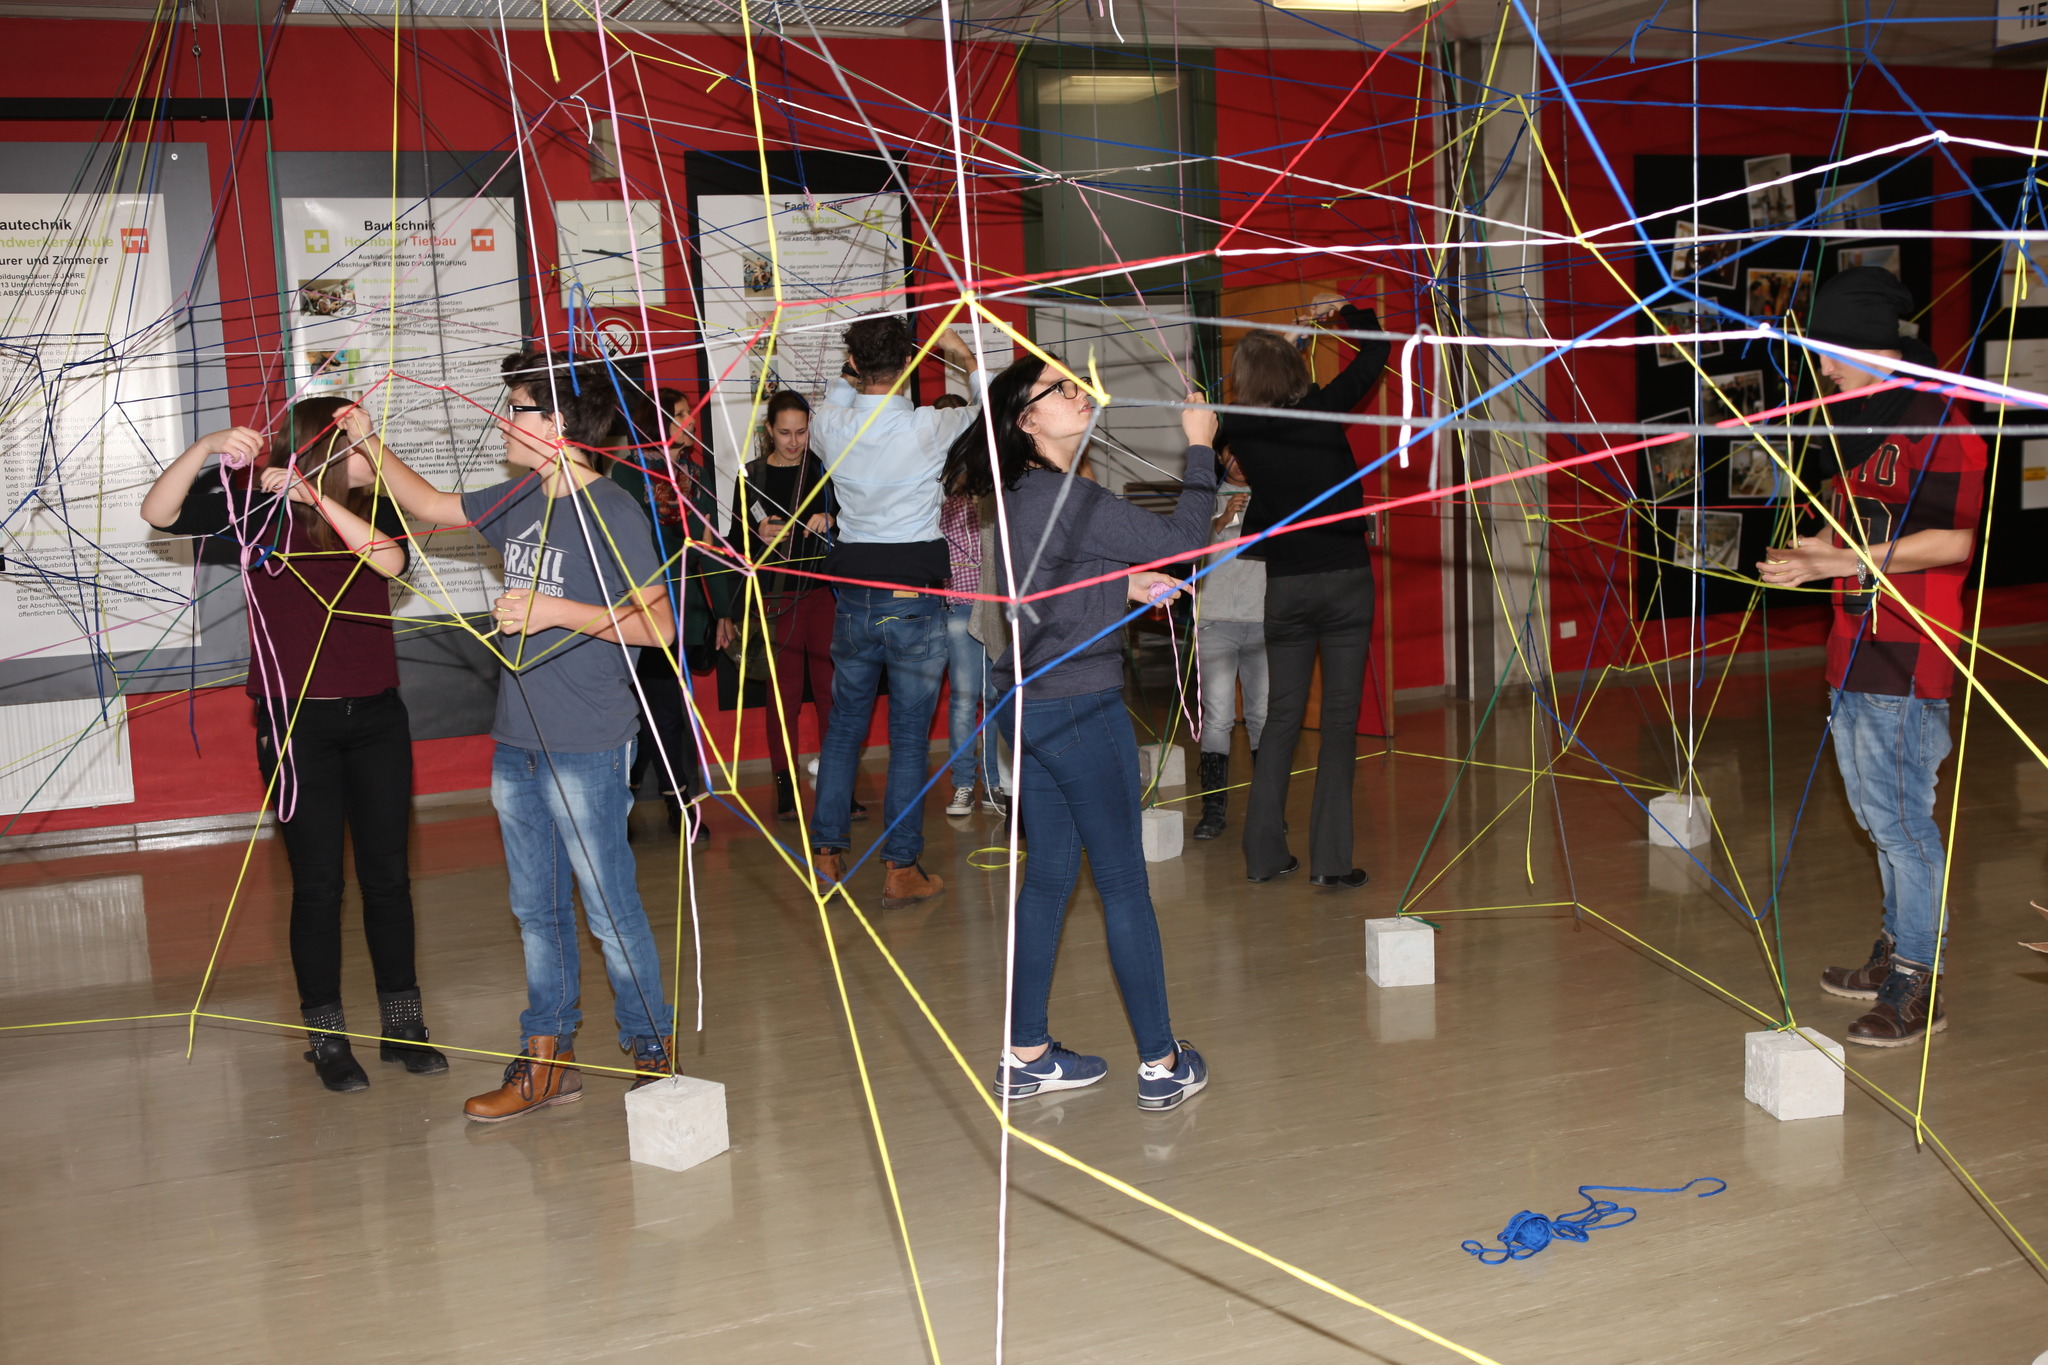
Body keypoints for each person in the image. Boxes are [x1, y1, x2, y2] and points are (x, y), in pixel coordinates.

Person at [369, 348, 681, 1121]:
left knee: (608, 907)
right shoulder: (519, 497)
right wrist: (366, 443)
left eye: (518, 408)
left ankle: (653, 1052)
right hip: (518, 740)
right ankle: (548, 1058)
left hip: (589, 742)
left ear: (563, 423)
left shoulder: (613, 512)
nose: (503, 421)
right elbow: (435, 505)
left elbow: (660, 627)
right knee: (535, 909)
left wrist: (553, 611)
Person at [141, 398, 447, 1093]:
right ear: (324, 446)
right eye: (359, 441)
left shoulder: (373, 501)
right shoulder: (254, 505)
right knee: (317, 885)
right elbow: (159, 513)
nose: (373, 450)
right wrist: (208, 445)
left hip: (376, 719)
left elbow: (391, 562)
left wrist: (317, 495)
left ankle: (403, 1025)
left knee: (389, 879)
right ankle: (328, 1038)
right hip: (293, 723)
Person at [942, 355, 1217, 1112]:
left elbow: (1044, 588)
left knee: (1053, 875)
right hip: (1077, 706)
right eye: (1058, 389)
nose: (1077, 392)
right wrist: (1199, 443)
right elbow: (1186, 537)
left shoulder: (1026, 494)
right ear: (1027, 420)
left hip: (1027, 710)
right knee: (1123, 882)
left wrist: (1117, 583)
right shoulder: (1069, 495)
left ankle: (1026, 1053)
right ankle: (1163, 1063)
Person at [1757, 266, 1986, 1047]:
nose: (1822, 368)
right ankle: (1895, 950)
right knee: (1875, 815)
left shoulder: (1937, 420)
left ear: (1875, 350)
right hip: (1853, 644)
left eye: (1831, 353)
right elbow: (1843, 523)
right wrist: (1805, 554)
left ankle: (1919, 982)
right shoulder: (1858, 422)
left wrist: (1839, 561)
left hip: (1908, 648)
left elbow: (1951, 540)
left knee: (1901, 821)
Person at [805, 315, 984, 907]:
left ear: (854, 365)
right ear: (910, 364)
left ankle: (827, 855)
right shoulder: (932, 426)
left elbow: (837, 395)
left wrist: (852, 371)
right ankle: (900, 869)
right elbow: (989, 401)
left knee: (844, 730)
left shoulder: (830, 423)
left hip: (855, 597)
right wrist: (959, 354)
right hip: (913, 598)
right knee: (909, 737)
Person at [1221, 297, 1390, 888]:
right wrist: (1347, 309)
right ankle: (1332, 866)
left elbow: (1262, 389)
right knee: (1339, 723)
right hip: (1345, 582)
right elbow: (1378, 351)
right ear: (1297, 373)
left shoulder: (1236, 423)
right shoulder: (1322, 408)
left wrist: (1286, 340)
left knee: (1281, 723)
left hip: (1286, 589)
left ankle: (1265, 857)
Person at [722, 390, 846, 824]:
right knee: (783, 697)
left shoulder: (824, 471)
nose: (794, 441)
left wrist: (833, 519)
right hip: (775, 601)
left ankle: (838, 785)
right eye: (784, 433)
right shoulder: (751, 476)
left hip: (821, 596)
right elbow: (733, 546)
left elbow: (854, 520)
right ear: (768, 431)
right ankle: (785, 785)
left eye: (801, 431)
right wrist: (755, 533)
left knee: (834, 694)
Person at [614, 385, 732, 842]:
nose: (691, 422)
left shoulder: (694, 476)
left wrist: (723, 611)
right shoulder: (624, 478)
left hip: (685, 614)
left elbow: (707, 549)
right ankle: (649, 802)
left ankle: (676, 802)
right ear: (658, 423)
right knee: (644, 711)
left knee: (667, 710)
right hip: (636, 615)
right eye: (682, 414)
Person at [1192, 449, 1268, 841]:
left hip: (1262, 619)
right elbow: (1185, 554)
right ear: (1220, 455)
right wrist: (1220, 520)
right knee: (1218, 718)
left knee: (1262, 717)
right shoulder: (1202, 496)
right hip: (1215, 620)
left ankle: (1267, 809)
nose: (1239, 460)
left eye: (1246, 450)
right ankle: (1213, 809)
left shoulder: (1272, 493)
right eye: (1231, 452)